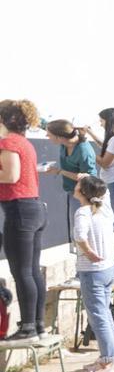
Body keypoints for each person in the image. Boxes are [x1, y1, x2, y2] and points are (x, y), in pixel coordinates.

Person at [0, 100, 48, 343]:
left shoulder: (8, 142)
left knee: (22, 272)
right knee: (32, 271)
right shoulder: (24, 142)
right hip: (34, 208)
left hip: (19, 211)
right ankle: (37, 325)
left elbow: (11, 175)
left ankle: (28, 329)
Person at [72, 176, 114, 372]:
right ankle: (111, 356)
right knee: (105, 313)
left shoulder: (83, 212)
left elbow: (80, 236)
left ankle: (107, 361)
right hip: (109, 269)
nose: (75, 186)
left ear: (83, 192)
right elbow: (103, 191)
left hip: (92, 272)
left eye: (78, 185)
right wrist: (86, 178)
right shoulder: (105, 209)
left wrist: (89, 252)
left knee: (98, 316)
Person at [83, 108, 114, 269]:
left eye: (102, 121)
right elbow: (105, 146)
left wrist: (87, 151)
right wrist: (90, 133)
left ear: (109, 121)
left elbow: (105, 163)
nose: (100, 124)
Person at [44, 119, 98, 246]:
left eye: (49, 134)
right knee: (76, 232)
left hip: (85, 195)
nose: (46, 136)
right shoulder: (64, 144)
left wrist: (59, 171)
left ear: (59, 137)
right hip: (73, 192)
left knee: (83, 232)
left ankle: (88, 256)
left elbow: (88, 178)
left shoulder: (84, 151)